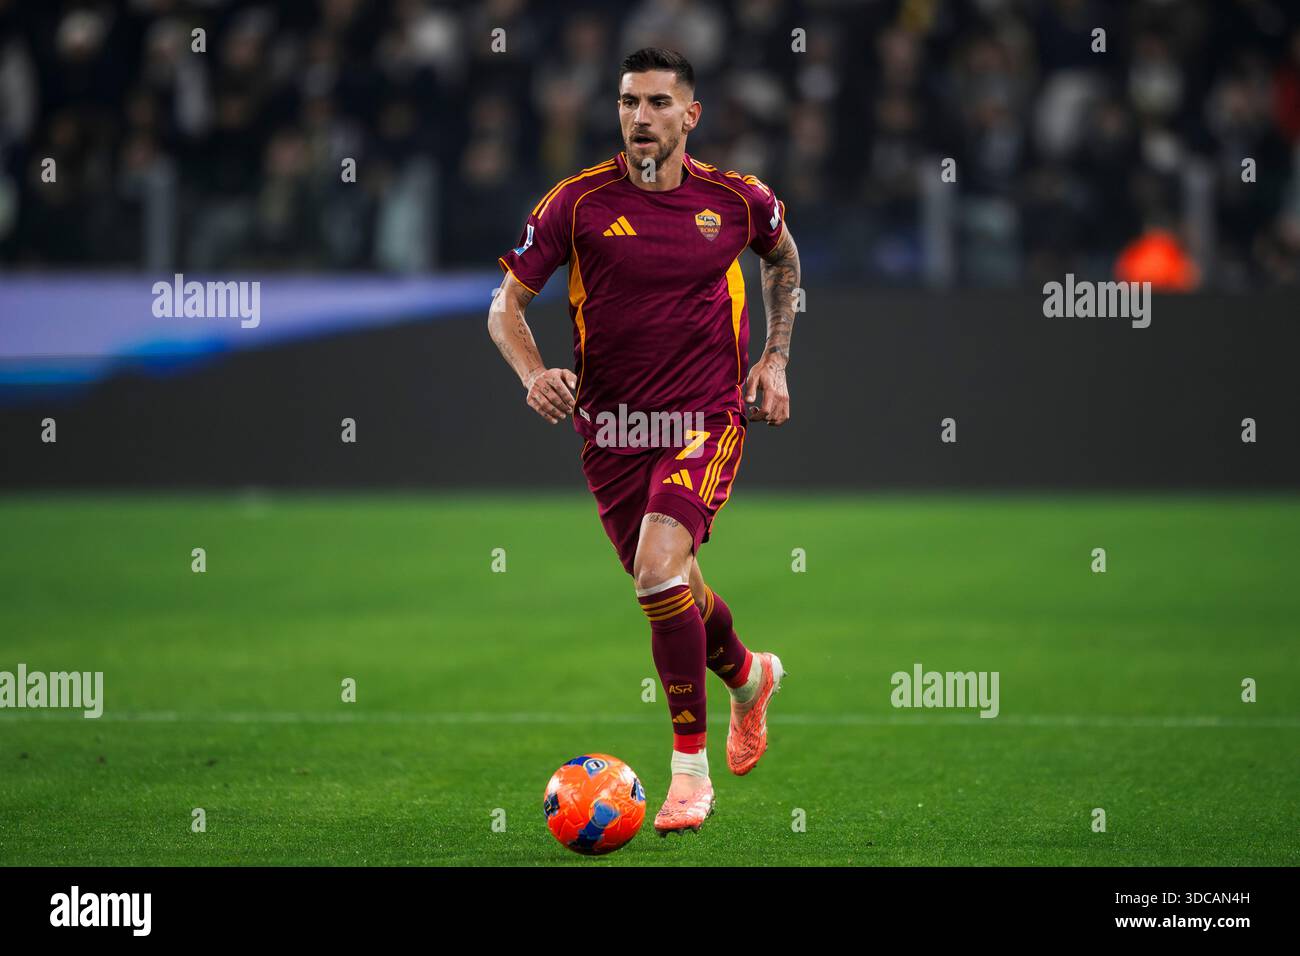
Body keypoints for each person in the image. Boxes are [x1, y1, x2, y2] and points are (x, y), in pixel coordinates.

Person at [488, 47, 800, 835]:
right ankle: (749, 677)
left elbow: (784, 261)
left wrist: (775, 358)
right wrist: (532, 374)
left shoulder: (737, 199)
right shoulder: (576, 202)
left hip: (705, 418)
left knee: (658, 572)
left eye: (659, 103)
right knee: (674, 585)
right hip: (614, 432)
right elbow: (505, 308)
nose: (641, 117)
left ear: (690, 117)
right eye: (630, 102)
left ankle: (688, 775)